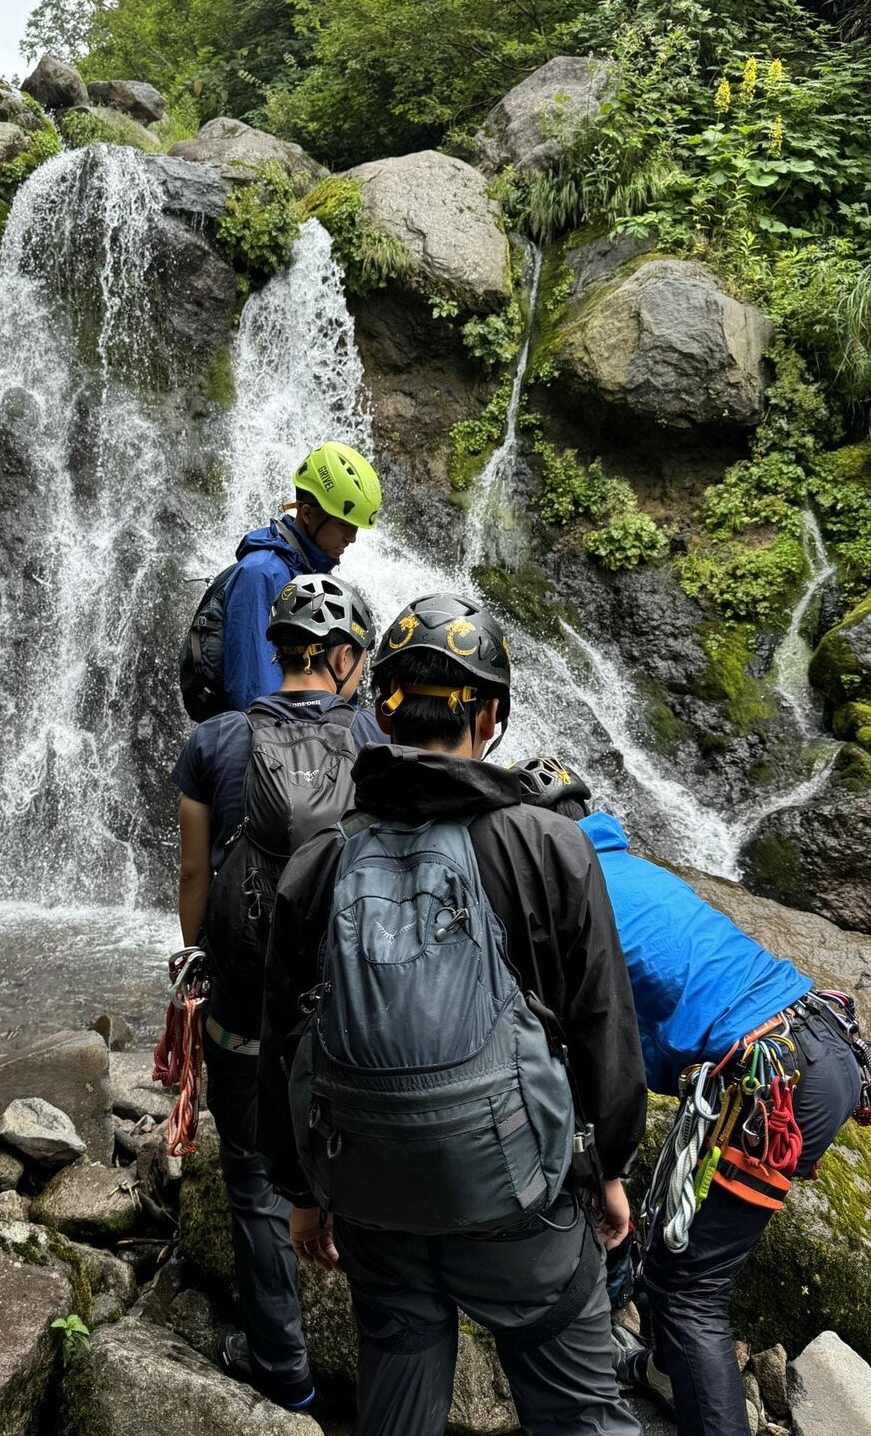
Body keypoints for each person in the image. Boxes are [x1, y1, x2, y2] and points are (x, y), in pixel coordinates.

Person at [257, 593, 647, 1436]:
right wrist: (610, 1166)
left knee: (397, 1412)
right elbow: (601, 1024)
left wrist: (299, 1190)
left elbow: (283, 1039)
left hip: (370, 1192)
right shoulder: (549, 846)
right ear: (492, 717)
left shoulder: (319, 861)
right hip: (523, 1199)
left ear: (382, 711)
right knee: (580, 1416)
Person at [512, 755, 870, 1436]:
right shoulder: (635, 870)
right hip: (818, 1042)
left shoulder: (565, 904)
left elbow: (598, 1057)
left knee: (688, 1293)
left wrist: (600, 1172)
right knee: (679, 1252)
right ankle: (665, 1373)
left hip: (768, 1082)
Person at [171, 572, 383, 1413]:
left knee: (254, 1183)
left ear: (279, 649)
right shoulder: (376, 738)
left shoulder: (215, 741)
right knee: (369, 1175)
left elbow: (194, 872)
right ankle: (391, 1372)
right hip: (348, 1003)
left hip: (246, 1000)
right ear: (342, 657)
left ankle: (283, 1374)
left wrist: (202, 959)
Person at [222, 441, 382, 712]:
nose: (352, 538)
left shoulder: (311, 574)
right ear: (307, 514)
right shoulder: (260, 574)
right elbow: (254, 696)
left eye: (355, 528)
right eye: (344, 524)